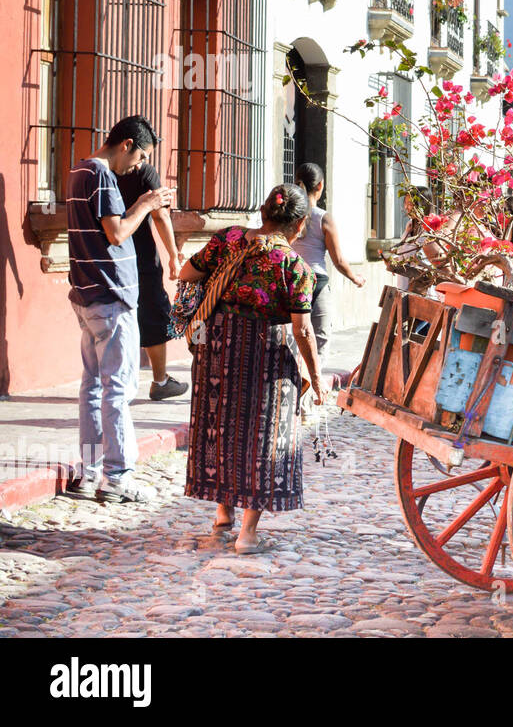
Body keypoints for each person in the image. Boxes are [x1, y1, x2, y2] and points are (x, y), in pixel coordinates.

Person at [180, 184, 324, 554]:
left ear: (262, 214)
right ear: (300, 225)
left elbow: (186, 272)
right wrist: (317, 376)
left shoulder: (227, 240)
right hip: (266, 354)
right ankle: (247, 534)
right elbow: (302, 328)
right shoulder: (294, 266)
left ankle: (221, 520)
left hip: (219, 348)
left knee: (221, 428)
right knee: (263, 434)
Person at [64, 116, 172, 503]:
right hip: (110, 297)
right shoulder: (102, 176)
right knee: (118, 389)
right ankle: (117, 476)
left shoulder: (78, 170)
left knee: (93, 386)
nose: (140, 165)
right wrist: (146, 202)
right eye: (140, 155)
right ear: (125, 144)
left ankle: (91, 473)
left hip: (88, 294)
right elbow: (117, 232)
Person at [116, 154, 187, 402]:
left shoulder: (100, 173)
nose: (142, 159)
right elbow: (160, 216)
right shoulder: (144, 172)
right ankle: (160, 381)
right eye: (143, 152)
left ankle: (115, 380)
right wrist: (173, 256)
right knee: (153, 313)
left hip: (110, 257)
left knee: (117, 316)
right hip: (142, 257)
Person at [293, 163, 366, 356]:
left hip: (290, 279)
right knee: (320, 339)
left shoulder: (288, 215)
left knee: (293, 336)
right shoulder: (323, 218)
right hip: (316, 282)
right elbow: (339, 260)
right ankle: (310, 381)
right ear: (320, 186)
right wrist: (355, 278)